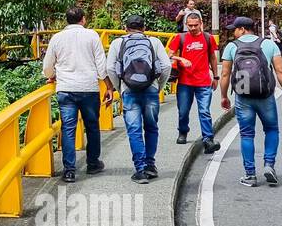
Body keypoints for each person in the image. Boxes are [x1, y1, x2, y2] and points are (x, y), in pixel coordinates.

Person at [42, 5, 107, 183]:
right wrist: (108, 85)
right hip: (88, 89)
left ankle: (69, 170)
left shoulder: (57, 38)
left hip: (66, 89)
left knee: (68, 129)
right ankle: (93, 163)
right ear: (83, 19)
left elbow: (48, 66)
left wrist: (51, 76)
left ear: (66, 20)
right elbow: (101, 65)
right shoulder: (92, 35)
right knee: (92, 127)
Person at [104, 16, 172, 183]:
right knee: (151, 127)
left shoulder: (117, 43)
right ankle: (150, 165)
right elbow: (167, 66)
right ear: (144, 27)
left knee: (134, 130)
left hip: (129, 90)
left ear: (125, 28)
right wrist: (159, 86)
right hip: (151, 89)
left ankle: (140, 170)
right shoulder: (154, 42)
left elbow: (109, 68)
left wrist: (118, 86)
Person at [219, 17, 282, 187]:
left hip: (243, 97)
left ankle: (250, 175)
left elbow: (225, 75)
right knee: (271, 130)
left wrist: (224, 96)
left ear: (242, 29)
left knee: (247, 134)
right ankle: (269, 165)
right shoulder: (269, 44)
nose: (234, 32)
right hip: (265, 96)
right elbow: (279, 71)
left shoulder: (232, 47)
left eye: (235, 29)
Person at [167, 12, 221, 153]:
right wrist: (181, 59)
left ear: (201, 23)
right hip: (185, 82)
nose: (192, 28)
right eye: (190, 25)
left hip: (203, 82)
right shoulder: (181, 37)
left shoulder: (208, 38)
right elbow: (169, 55)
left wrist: (216, 77)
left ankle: (208, 139)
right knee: (183, 111)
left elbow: (213, 59)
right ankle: (183, 131)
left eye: (195, 25)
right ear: (186, 24)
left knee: (204, 111)